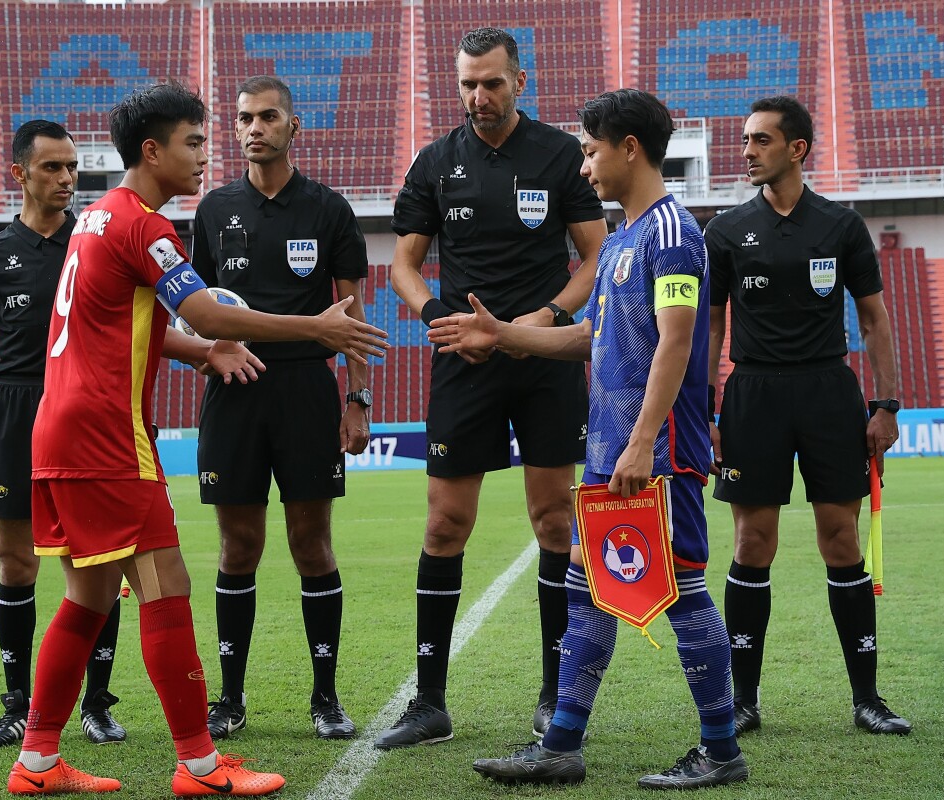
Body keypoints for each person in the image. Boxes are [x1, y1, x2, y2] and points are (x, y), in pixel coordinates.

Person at [5, 81, 387, 796]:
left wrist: (199, 354)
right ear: (153, 151)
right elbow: (209, 313)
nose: (206, 154)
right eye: (194, 141)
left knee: (87, 598)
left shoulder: (95, 218)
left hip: (60, 433)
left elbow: (130, 323)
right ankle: (202, 767)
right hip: (107, 440)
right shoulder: (148, 224)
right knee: (166, 587)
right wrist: (317, 329)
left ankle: (37, 761)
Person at [437, 88, 748, 789]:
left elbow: (675, 344)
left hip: (657, 455)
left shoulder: (673, 235)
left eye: (590, 150)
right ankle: (562, 746)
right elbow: (592, 338)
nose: (584, 165)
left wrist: (641, 444)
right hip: (614, 452)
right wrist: (507, 333)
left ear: (628, 148)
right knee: (588, 592)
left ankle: (722, 751)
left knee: (685, 593)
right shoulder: (621, 243)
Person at [375, 26, 608, 750]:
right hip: (463, 361)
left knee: (553, 521)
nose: (479, 96)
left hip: (543, 359)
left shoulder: (561, 155)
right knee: (445, 524)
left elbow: (596, 256)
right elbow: (404, 268)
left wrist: (543, 318)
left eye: (492, 83)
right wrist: (443, 319)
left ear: (520, 81)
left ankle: (553, 694)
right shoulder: (436, 162)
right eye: (468, 84)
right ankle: (430, 703)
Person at [704, 96, 911, 736]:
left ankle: (867, 700)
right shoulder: (725, 229)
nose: (746, 151)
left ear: (797, 149)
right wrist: (705, 409)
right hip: (753, 395)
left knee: (840, 541)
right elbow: (710, 325)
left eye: (760, 140)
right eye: (744, 140)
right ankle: (743, 702)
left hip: (828, 394)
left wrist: (885, 404)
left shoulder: (841, 227)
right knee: (752, 543)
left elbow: (874, 319)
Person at [190, 76, 370, 741]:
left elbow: (350, 313)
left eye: (268, 116)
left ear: (295, 126)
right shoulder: (213, 211)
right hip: (233, 394)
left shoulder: (328, 209)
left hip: (305, 392)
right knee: (238, 545)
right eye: (244, 119)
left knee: (311, 542)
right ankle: (230, 699)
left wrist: (356, 398)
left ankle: (325, 697)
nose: (254, 128)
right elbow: (198, 309)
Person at [0, 120, 126, 748]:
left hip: (85, 411)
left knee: (96, 560)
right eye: (52, 167)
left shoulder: (94, 245)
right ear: (19, 173)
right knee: (16, 561)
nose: (66, 179)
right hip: (15, 413)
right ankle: (16, 704)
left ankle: (97, 701)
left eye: (72, 168)